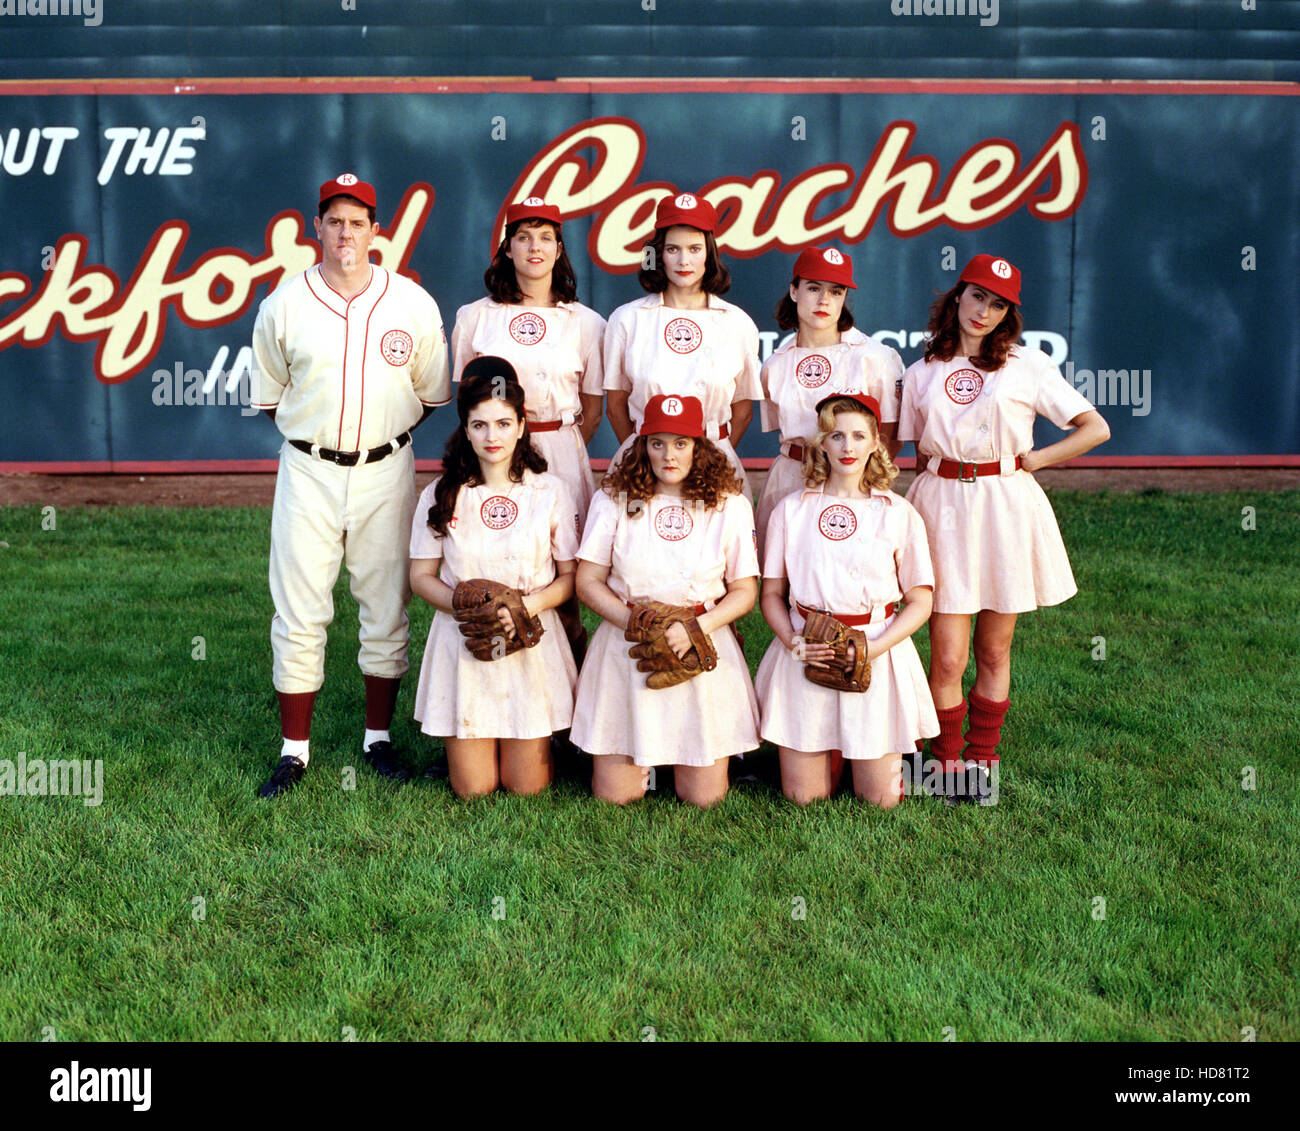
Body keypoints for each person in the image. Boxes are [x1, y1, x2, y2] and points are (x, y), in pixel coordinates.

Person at [250, 173, 450, 800]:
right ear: (318, 228)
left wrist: (378, 434)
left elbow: (430, 392)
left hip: (387, 467)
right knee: (300, 608)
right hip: (307, 467)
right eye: (334, 220)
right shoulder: (283, 303)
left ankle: (377, 739)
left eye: (357, 221)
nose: (345, 232)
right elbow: (270, 394)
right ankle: (294, 751)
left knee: (386, 605)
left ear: (375, 229)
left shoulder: (411, 302)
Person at [898, 254, 1110, 803]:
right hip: (940, 503)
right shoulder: (921, 371)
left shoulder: (1027, 365)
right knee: (947, 654)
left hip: (1006, 506)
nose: (983, 311)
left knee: (994, 650)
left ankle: (982, 758)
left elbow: (1095, 426)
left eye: (997, 304)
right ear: (956, 298)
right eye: (976, 297)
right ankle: (942, 763)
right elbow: (913, 451)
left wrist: (1037, 460)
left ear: (1008, 314)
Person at [572, 394, 759, 807]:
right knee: (616, 796)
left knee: (704, 798)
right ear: (642, 445)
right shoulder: (615, 498)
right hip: (631, 643)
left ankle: (678, 757)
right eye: (657, 443)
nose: (668, 454)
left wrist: (695, 627)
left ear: (699, 446)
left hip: (700, 640)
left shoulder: (729, 504)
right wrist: (637, 623)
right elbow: (588, 581)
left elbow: (745, 590)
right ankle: (645, 758)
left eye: (680, 443)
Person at [756, 392, 938, 807]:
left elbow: (920, 600)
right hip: (809, 646)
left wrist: (874, 648)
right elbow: (770, 594)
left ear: (877, 442)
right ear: (821, 442)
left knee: (882, 800)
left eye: (859, 436)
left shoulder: (897, 512)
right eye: (836, 436)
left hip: (875, 648)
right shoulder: (792, 509)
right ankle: (831, 754)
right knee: (804, 798)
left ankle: (863, 754)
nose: (848, 447)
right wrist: (793, 641)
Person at [408, 359, 578, 798]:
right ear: (465, 430)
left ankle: (548, 742)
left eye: (503, 423)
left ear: (522, 426)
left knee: (526, 788)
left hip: (529, 638)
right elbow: (421, 576)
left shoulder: (550, 491)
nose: (492, 436)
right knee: (474, 789)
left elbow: (569, 578)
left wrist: (524, 607)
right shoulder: (442, 493)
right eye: (479, 425)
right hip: (466, 639)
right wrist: (470, 607)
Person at [603, 192, 762, 501]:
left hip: (716, 462)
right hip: (644, 464)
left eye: (694, 249)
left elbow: (743, 412)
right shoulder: (627, 319)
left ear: (709, 254)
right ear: (657, 255)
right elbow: (615, 407)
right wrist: (643, 453)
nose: (684, 260)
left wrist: (710, 452)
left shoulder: (737, 323)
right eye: (672, 249)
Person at [755, 246, 905, 552]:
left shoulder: (876, 357)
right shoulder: (775, 363)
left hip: (852, 479)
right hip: (790, 476)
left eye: (836, 292)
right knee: (782, 578)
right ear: (794, 291)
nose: (824, 300)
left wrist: (859, 478)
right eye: (813, 288)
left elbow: (890, 434)